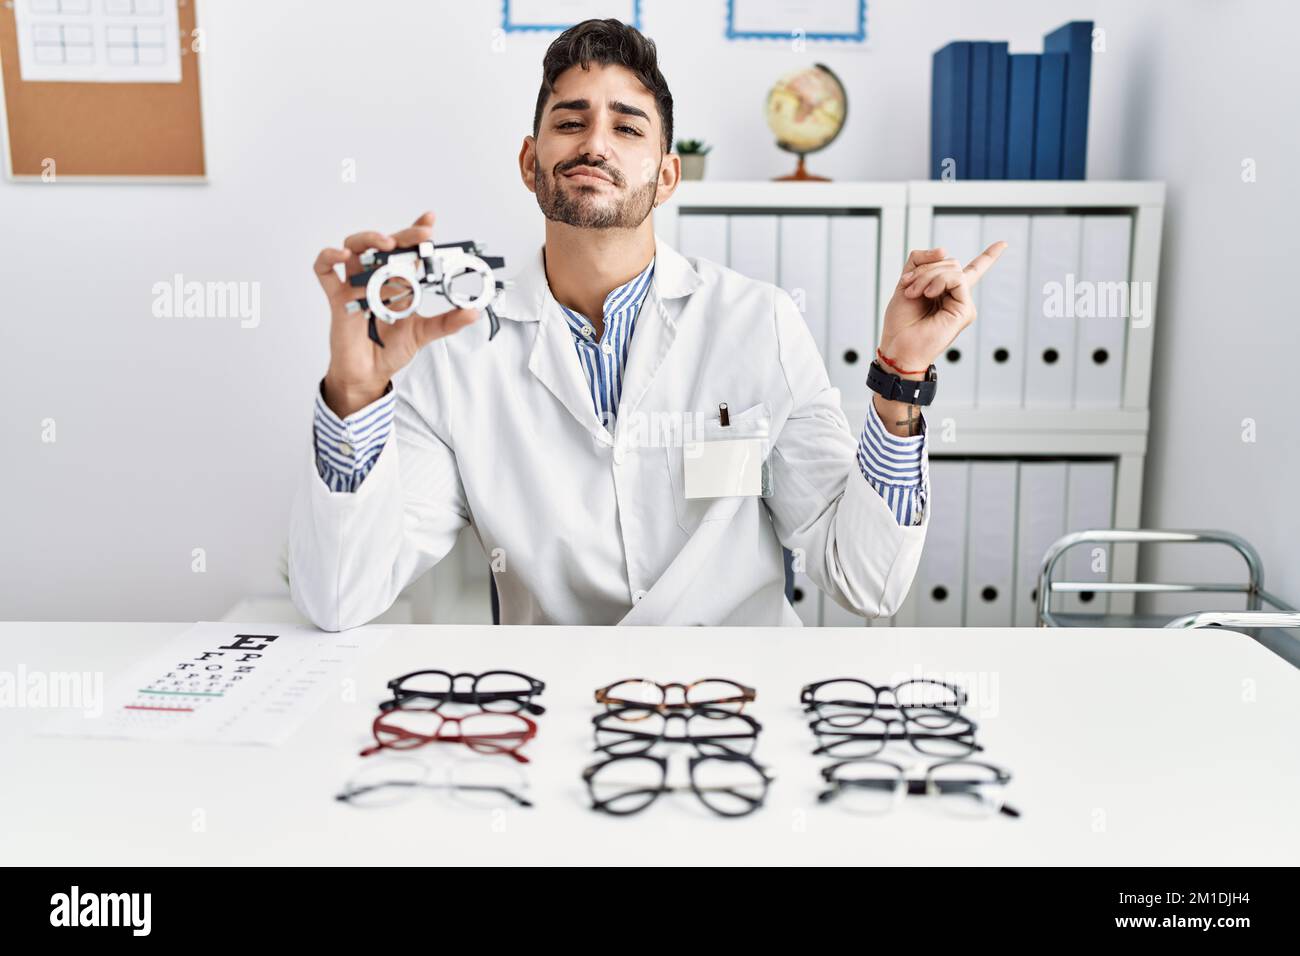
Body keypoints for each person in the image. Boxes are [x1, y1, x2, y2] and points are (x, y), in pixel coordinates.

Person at [290, 18, 1005, 630]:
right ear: (529, 161)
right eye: (570, 121)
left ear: (666, 177)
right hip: (556, 718)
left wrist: (900, 384)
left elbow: (865, 580)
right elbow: (339, 597)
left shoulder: (759, 323)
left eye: (626, 126)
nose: (595, 143)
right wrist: (354, 394)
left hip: (738, 706)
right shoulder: (454, 349)